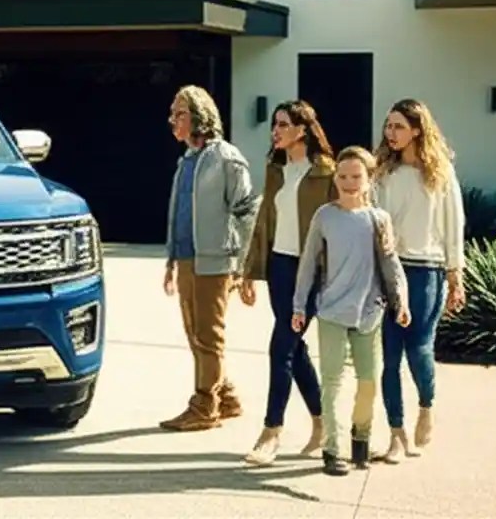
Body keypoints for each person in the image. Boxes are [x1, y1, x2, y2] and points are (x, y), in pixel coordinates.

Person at [292, 146, 411, 477]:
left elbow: (391, 264)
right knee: (331, 382)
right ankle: (332, 450)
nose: (348, 182)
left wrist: (401, 301)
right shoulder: (324, 217)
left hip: (369, 313)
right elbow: (308, 265)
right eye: (342, 176)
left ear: (369, 179)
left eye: (356, 176)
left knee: (368, 381)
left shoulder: (379, 220)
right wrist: (299, 306)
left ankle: (361, 438)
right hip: (331, 311)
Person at [161, 84, 262, 432]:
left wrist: (244, 266)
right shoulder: (187, 161)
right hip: (188, 259)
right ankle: (226, 398)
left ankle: (204, 406)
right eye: (172, 113)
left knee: (208, 336)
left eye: (180, 113)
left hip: (215, 261)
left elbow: (246, 213)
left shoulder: (226, 158)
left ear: (200, 117)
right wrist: (171, 261)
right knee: (196, 333)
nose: (172, 120)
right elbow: (180, 214)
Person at [242, 101, 337, 466]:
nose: (276, 131)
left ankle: (271, 432)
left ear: (303, 129)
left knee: (281, 346)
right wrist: (249, 271)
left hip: (309, 270)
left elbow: (337, 228)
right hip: (279, 267)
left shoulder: (326, 172)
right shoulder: (276, 170)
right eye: (274, 124)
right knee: (294, 349)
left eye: (283, 124)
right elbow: (263, 221)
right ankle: (323, 424)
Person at [371, 98, 466, 462]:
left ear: (416, 130)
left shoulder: (439, 173)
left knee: (419, 348)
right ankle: (397, 435)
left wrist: (455, 276)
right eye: (388, 126)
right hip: (388, 268)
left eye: (398, 126)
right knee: (390, 357)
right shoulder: (382, 172)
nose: (390, 133)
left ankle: (427, 405)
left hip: (427, 269)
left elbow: (454, 225)